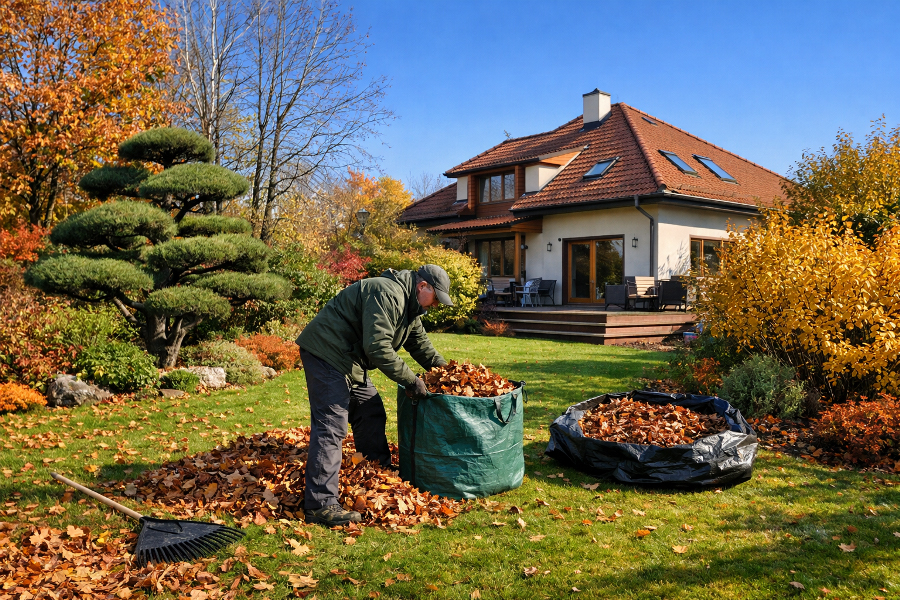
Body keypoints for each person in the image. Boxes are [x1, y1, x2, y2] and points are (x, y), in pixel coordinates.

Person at [295, 264, 453, 525]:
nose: (435, 304)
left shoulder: (411, 309)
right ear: (422, 286)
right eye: (436, 297)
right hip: (327, 352)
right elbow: (378, 347)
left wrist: (449, 374)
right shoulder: (387, 293)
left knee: (370, 411)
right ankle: (320, 505)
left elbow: (422, 347)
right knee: (331, 426)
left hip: (349, 359)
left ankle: (377, 473)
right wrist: (411, 381)